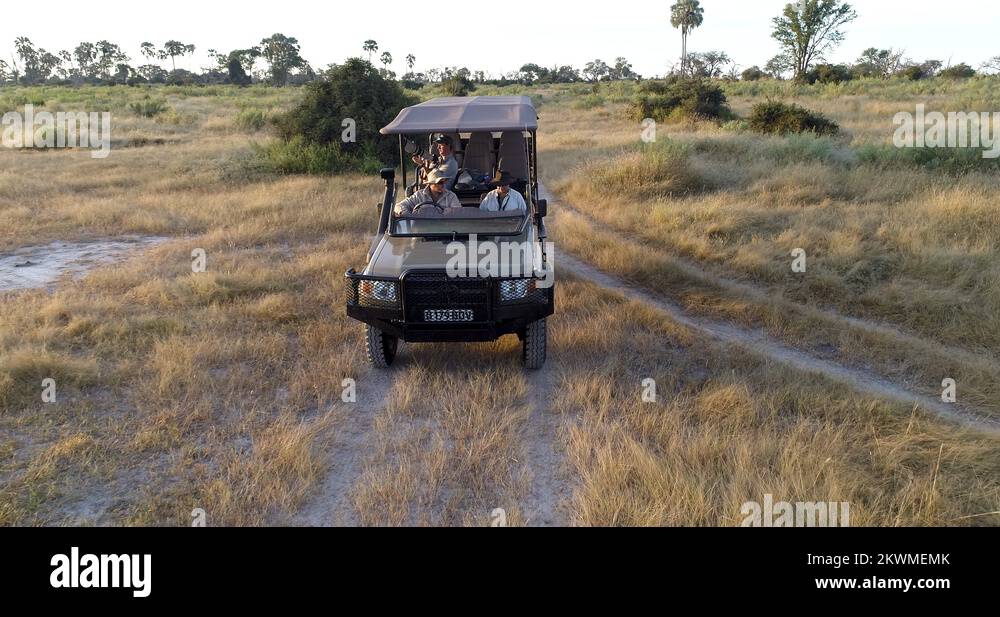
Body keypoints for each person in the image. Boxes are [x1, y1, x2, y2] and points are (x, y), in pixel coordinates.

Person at [394, 169, 462, 216]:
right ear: (430, 184)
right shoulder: (419, 195)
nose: (443, 185)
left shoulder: (451, 196)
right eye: (440, 182)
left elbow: (458, 212)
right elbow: (398, 206)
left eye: (444, 182)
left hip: (444, 231)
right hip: (422, 231)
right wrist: (407, 215)